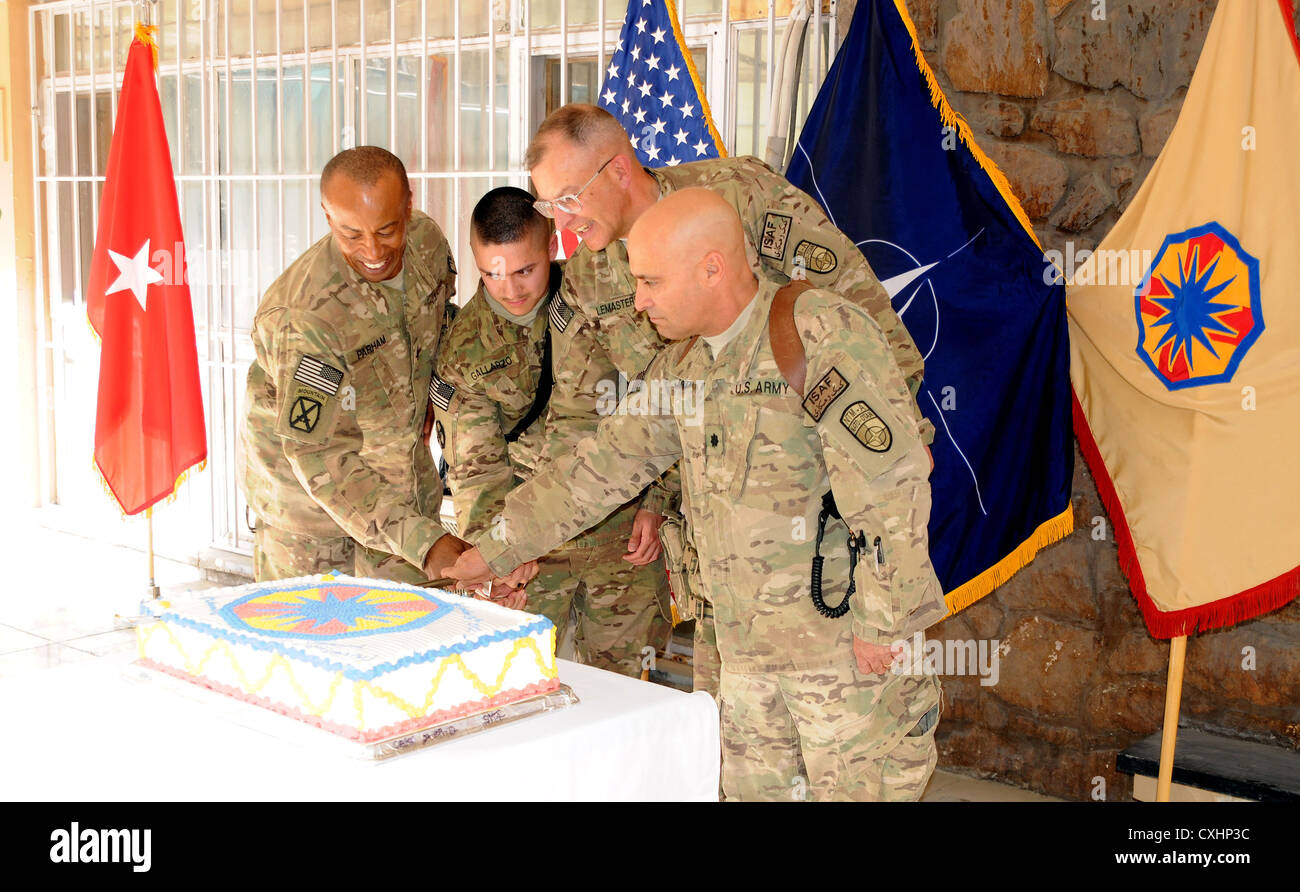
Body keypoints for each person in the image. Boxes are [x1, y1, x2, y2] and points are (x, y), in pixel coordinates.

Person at [446, 189, 947, 801]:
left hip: (844, 657)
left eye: (652, 282)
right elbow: (599, 468)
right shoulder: (686, 366)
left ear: (711, 268)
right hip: (743, 660)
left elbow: (890, 486)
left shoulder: (817, 334)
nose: (639, 301)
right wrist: (491, 549)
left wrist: (885, 625)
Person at [523, 104, 932, 697]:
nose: (562, 224)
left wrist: (904, 426)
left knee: (847, 714)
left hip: (816, 509)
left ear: (616, 170)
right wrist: (647, 500)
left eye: (567, 199)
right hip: (719, 527)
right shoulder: (589, 273)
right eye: (548, 207)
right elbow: (634, 405)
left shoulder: (737, 195)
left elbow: (855, 303)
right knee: (735, 727)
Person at [240, 146, 518, 590]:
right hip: (310, 521)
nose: (373, 250)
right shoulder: (307, 317)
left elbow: (441, 330)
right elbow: (319, 456)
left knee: (407, 634)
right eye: (351, 234)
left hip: (400, 490)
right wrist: (425, 544)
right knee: (315, 647)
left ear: (408, 204)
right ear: (328, 219)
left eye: (387, 230)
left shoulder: (426, 243)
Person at [431, 187, 670, 675]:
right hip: (532, 553)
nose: (511, 289)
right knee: (522, 684)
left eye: (525, 270)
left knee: (625, 694)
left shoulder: (604, 301)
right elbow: (476, 468)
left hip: (621, 542)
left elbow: (662, 396)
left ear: (551, 248)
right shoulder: (464, 346)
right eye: (492, 274)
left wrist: (658, 500)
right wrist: (498, 561)